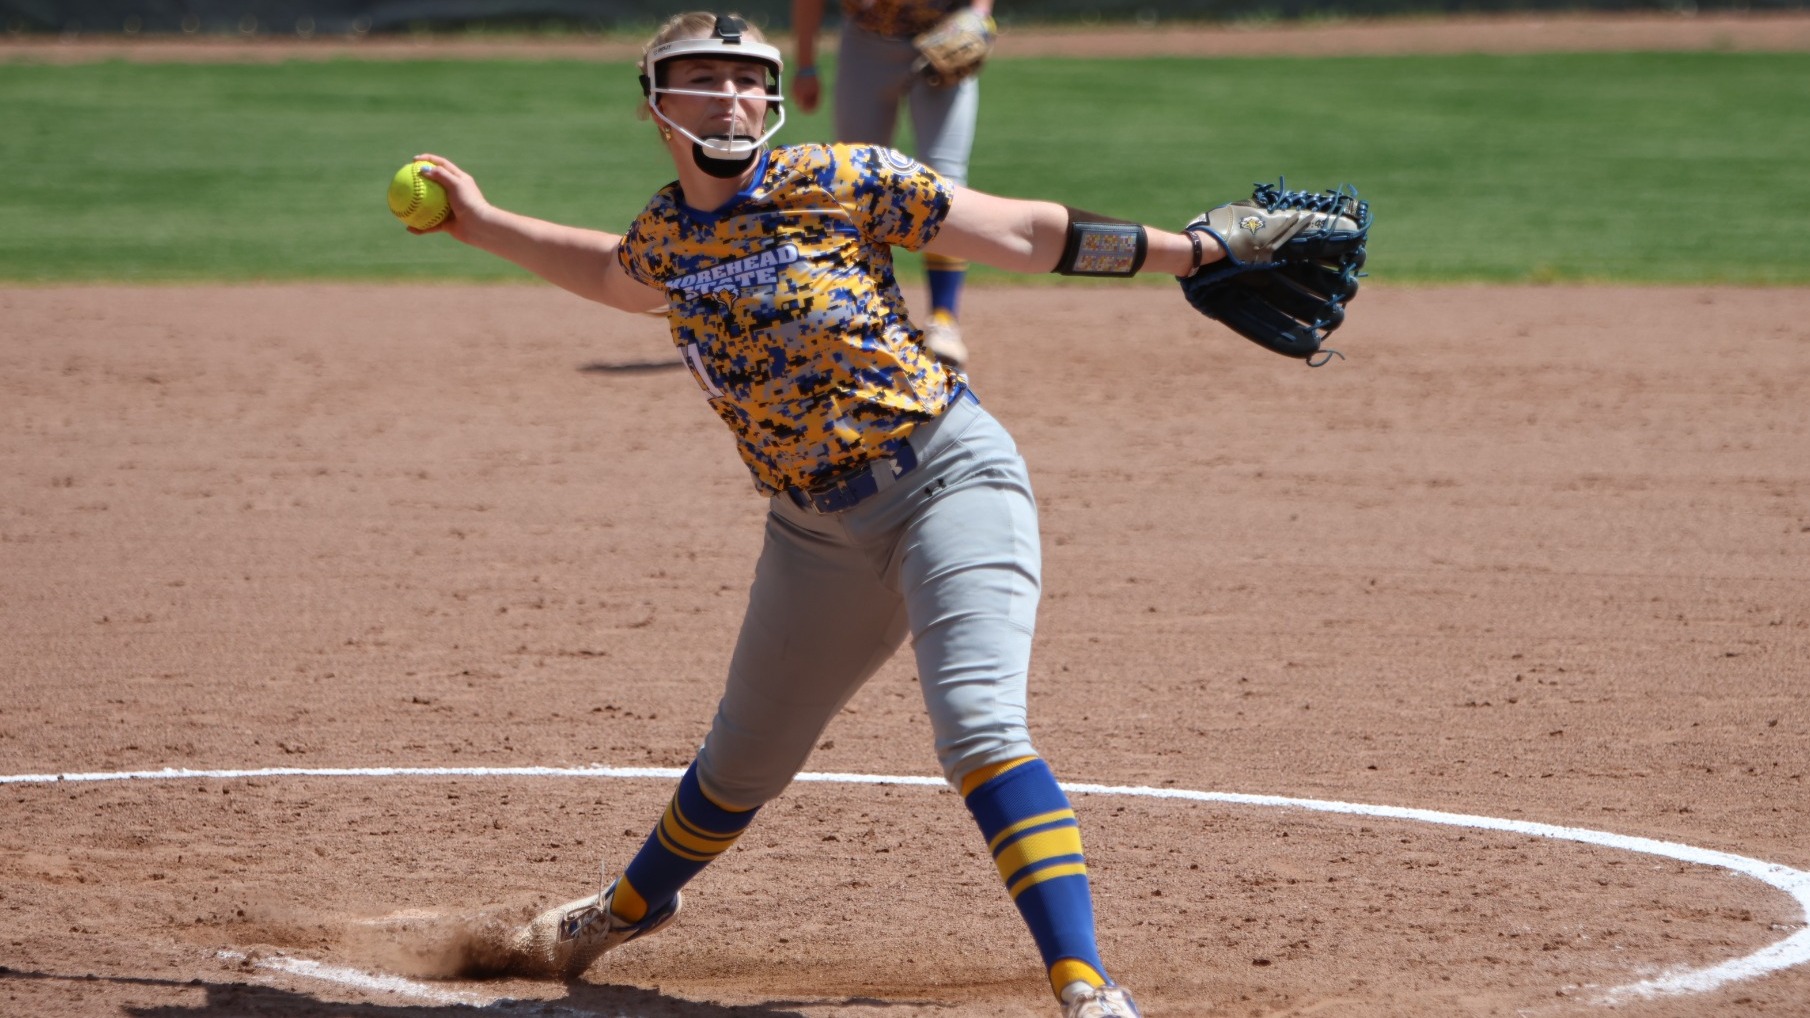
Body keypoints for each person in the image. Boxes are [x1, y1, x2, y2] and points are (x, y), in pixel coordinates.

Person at [403, 12, 1259, 1017]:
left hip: (947, 477)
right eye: (702, 80)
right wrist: (476, 220)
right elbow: (604, 271)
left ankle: (1086, 987)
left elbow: (1022, 231)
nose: (728, 98)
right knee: (740, 762)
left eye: (746, 80)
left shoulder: (842, 177)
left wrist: (1189, 254)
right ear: (656, 103)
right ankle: (618, 910)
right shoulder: (668, 233)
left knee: (978, 727)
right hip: (811, 534)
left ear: (770, 98)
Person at [790, 0, 993, 368]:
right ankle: (859, 313)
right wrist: (806, 64)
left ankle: (944, 320)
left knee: (944, 181)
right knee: (856, 184)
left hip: (942, 35)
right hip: (866, 44)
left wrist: (978, 16)